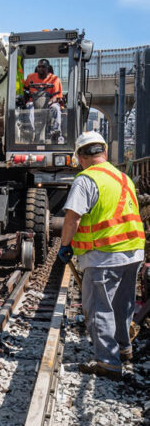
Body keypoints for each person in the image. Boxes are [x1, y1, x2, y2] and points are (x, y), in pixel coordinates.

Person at [58, 131, 145, 379]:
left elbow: (72, 218)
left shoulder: (85, 180)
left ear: (79, 157)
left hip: (105, 254)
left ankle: (108, 362)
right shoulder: (124, 177)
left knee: (99, 308)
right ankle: (124, 348)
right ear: (104, 152)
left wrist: (66, 246)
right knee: (123, 303)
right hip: (134, 250)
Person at [23, 59, 64, 141]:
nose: (41, 69)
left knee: (56, 107)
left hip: (49, 103)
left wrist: (50, 102)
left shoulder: (55, 79)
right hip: (33, 102)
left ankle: (56, 131)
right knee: (29, 108)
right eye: (39, 66)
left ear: (48, 68)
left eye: (43, 67)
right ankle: (32, 132)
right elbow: (25, 89)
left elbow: (56, 96)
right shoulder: (30, 77)